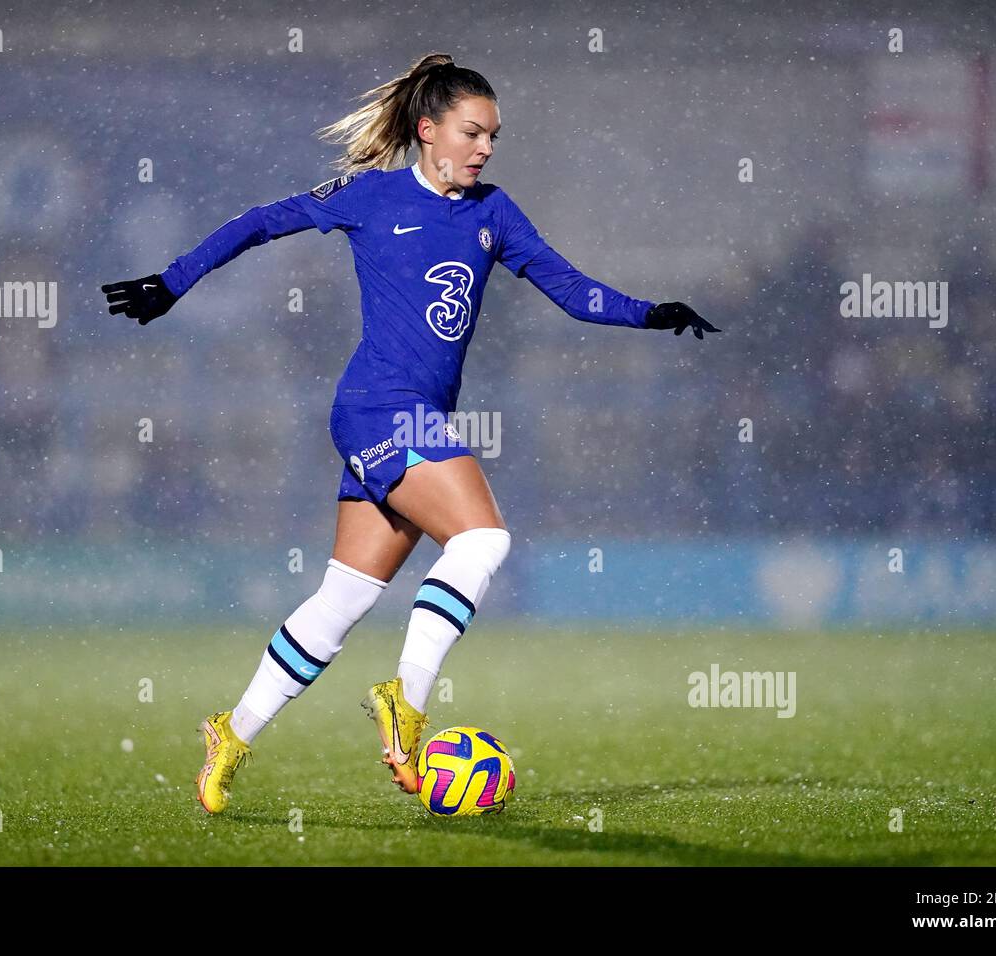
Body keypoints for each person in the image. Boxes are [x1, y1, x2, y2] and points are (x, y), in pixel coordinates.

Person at [101, 52, 720, 814]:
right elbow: (262, 221)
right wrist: (171, 283)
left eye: (493, 136)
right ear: (428, 131)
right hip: (379, 407)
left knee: (342, 598)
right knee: (484, 541)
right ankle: (406, 700)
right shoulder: (370, 196)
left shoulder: (494, 212)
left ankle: (231, 731)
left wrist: (648, 312)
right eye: (472, 132)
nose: (486, 148)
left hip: (410, 418)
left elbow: (570, 288)